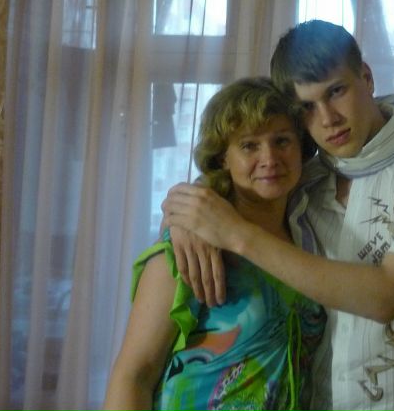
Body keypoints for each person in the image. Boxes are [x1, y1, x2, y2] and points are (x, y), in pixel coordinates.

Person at [164, 19, 394, 411]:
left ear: (366, 77)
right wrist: (186, 209)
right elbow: (242, 176)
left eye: (336, 91)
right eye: (306, 107)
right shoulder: (305, 178)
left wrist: (232, 232)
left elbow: (387, 297)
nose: (328, 119)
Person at [103, 78, 327, 411]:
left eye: (282, 141)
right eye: (249, 146)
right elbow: (133, 376)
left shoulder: (315, 236)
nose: (270, 158)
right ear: (223, 157)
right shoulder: (187, 248)